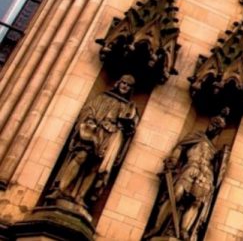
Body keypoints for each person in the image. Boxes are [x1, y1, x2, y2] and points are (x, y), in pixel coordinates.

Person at [48, 75, 139, 208]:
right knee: (81, 156)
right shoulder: (103, 97)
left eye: (128, 85)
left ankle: (80, 197)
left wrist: (125, 125)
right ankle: (60, 189)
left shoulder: (129, 106)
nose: (124, 86)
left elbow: (130, 128)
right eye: (123, 83)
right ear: (118, 83)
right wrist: (91, 120)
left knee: (96, 167)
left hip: (110, 137)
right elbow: (88, 109)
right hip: (94, 132)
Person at [145, 115, 229, 240]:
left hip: (206, 176)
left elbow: (218, 170)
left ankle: (184, 230)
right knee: (176, 193)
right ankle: (157, 227)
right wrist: (173, 160)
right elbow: (180, 146)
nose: (214, 128)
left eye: (218, 127)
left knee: (197, 201)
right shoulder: (195, 137)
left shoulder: (214, 150)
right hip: (190, 169)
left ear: (219, 132)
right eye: (213, 123)